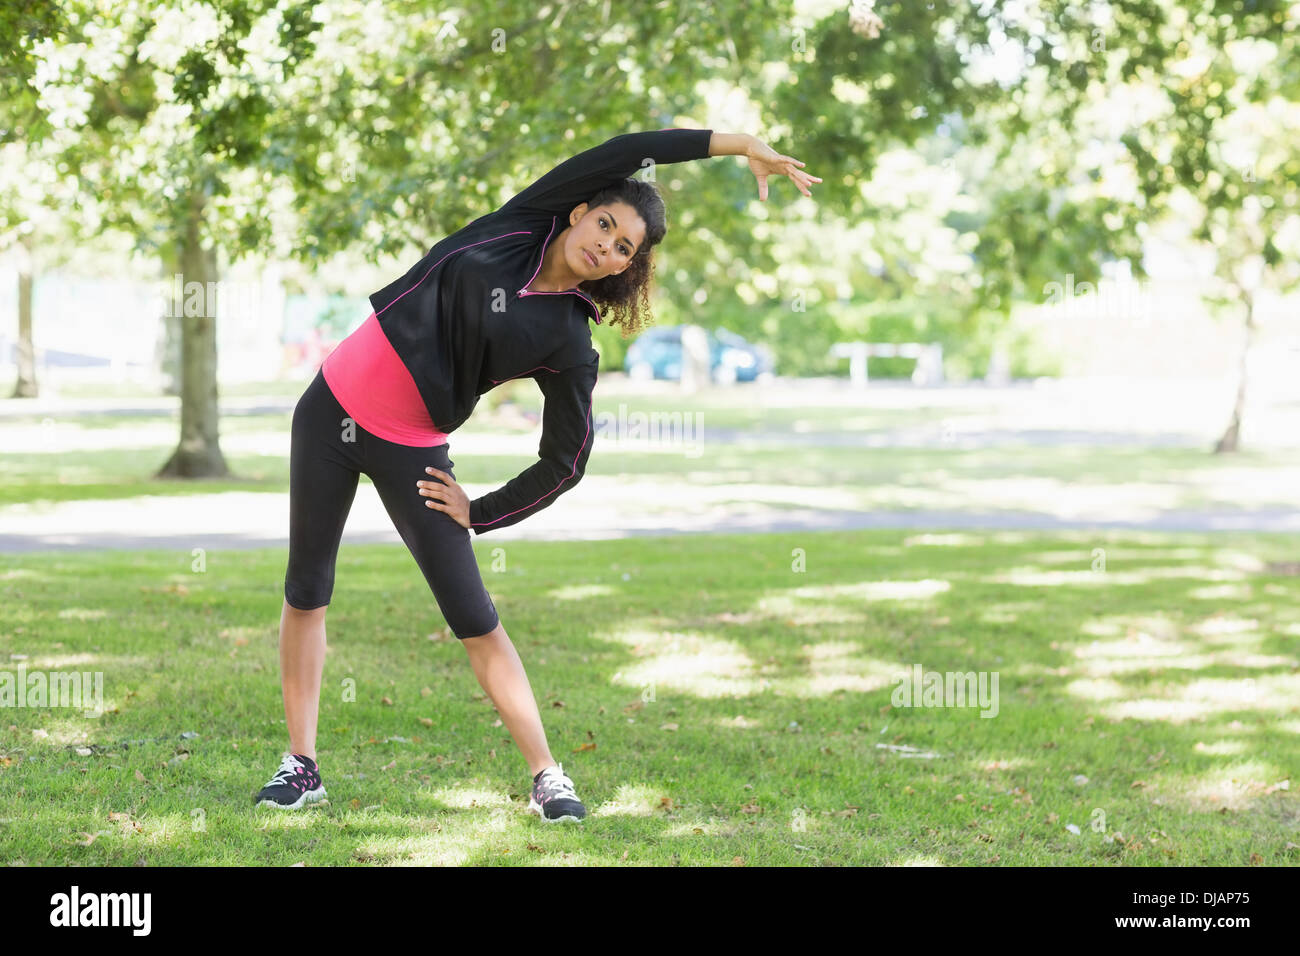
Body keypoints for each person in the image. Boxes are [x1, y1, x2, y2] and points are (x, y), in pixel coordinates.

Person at [255, 127, 821, 821]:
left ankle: (547, 776)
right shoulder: (525, 220)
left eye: (623, 248)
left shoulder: (569, 341)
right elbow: (626, 149)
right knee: (307, 588)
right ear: (580, 210)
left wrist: (480, 510)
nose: (606, 244)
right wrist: (736, 145)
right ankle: (302, 764)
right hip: (328, 411)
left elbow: (567, 459)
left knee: (473, 617)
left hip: (413, 447)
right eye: (606, 224)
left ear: (624, 267)